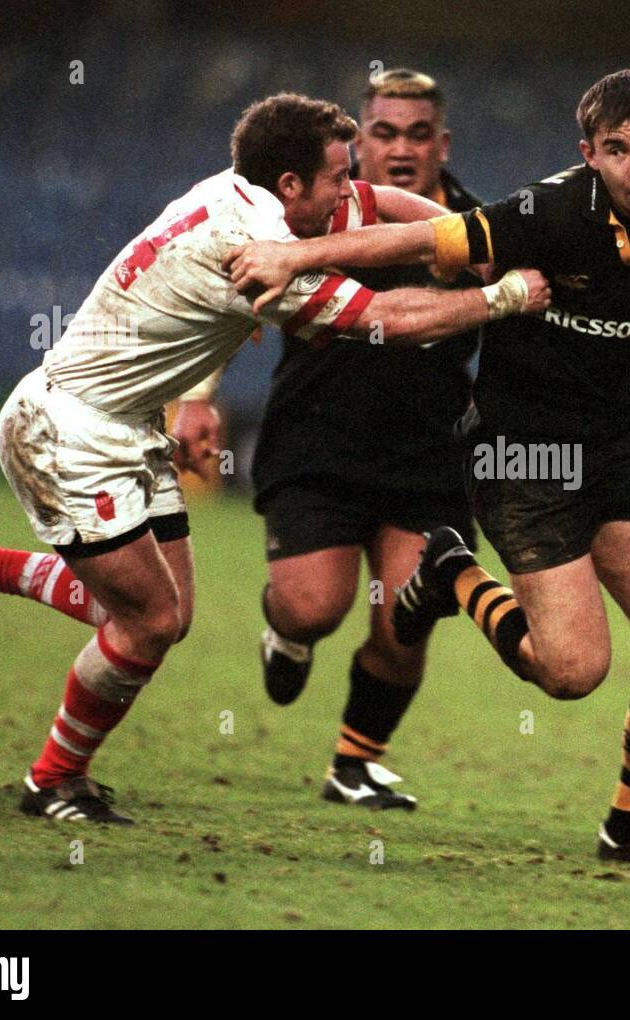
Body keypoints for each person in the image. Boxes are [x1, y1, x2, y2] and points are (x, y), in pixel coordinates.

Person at [0, 92, 549, 824]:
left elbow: (380, 201)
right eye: (337, 176)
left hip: (126, 424)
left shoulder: (252, 193)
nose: (350, 188)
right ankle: (52, 779)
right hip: (67, 436)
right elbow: (387, 320)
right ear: (291, 187)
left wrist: (472, 234)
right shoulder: (256, 258)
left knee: (164, 616)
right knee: (146, 624)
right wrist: (505, 294)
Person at [224, 70, 630, 869]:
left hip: (620, 446)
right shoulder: (551, 213)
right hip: (519, 451)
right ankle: (454, 570)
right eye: (616, 150)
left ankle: (628, 834)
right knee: (571, 674)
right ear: (589, 154)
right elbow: (425, 242)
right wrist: (298, 255)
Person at [175, 70, 487, 812]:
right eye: (384, 132)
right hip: (319, 442)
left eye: (418, 134)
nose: (401, 148)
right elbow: (225, 293)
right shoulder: (301, 215)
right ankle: (285, 634)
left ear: (442, 144)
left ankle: (354, 765)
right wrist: (195, 396)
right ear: (358, 138)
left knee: (405, 623)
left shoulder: (477, 229)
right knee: (314, 606)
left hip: (427, 454)